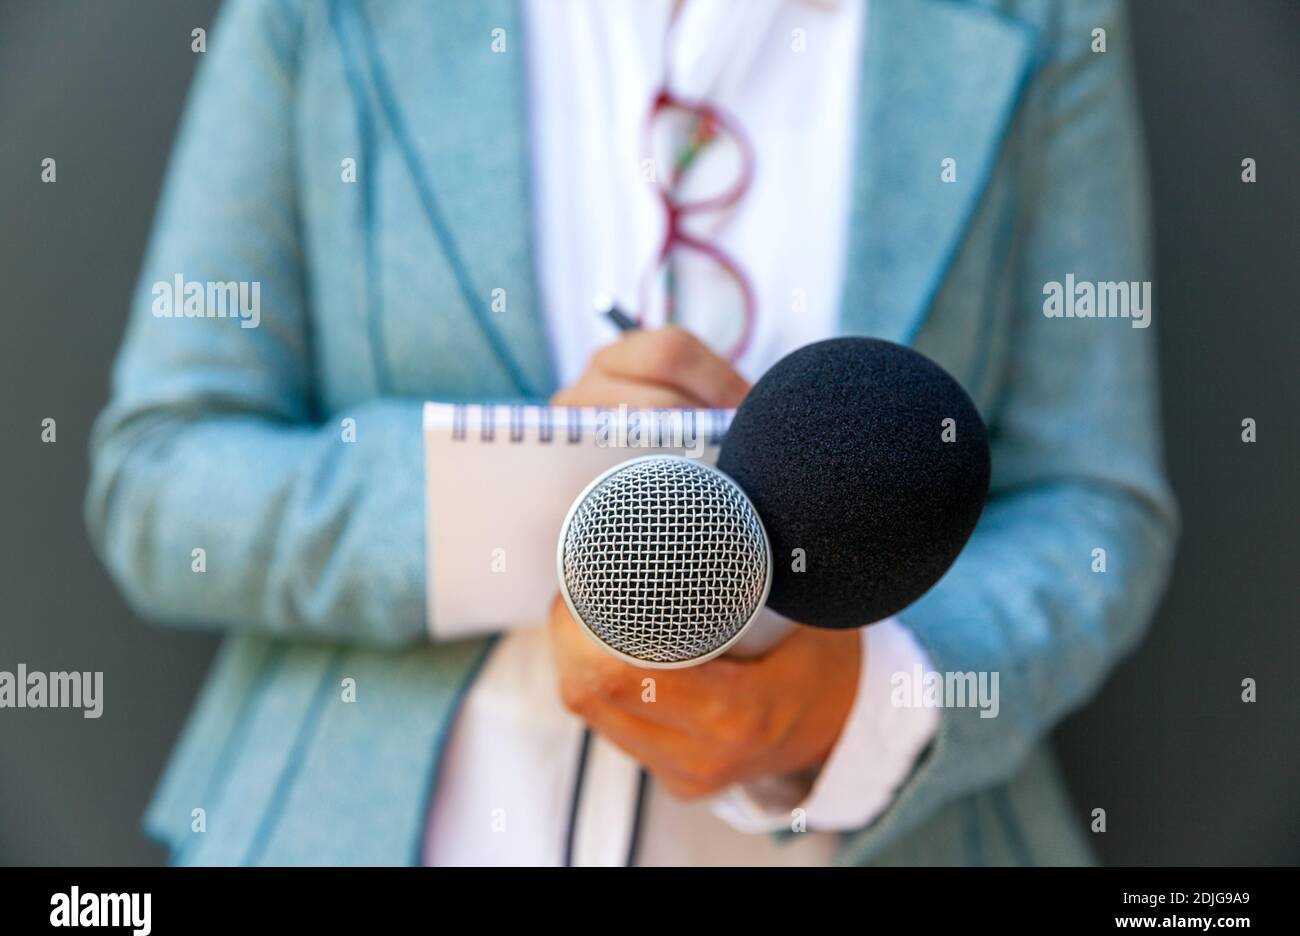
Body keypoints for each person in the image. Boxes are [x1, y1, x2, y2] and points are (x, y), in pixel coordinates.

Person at [86, 0, 1176, 866]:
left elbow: (1090, 501)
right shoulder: (320, 14)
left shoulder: (1037, 20)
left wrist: (867, 701)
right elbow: (159, 475)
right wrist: (526, 501)